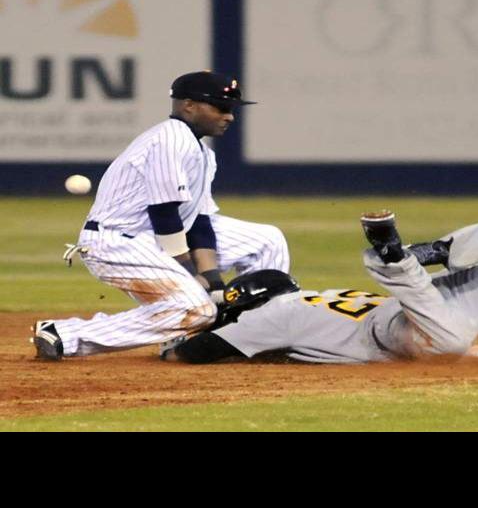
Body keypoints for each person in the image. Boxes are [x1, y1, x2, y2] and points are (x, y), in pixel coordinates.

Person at [31, 72, 290, 361]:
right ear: (189, 105)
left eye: (231, 109)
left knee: (266, 240)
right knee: (196, 309)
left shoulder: (203, 153)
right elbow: (164, 214)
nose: (229, 116)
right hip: (119, 242)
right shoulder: (170, 140)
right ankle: (64, 333)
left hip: (159, 237)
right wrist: (192, 275)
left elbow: (199, 221)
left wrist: (213, 279)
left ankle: (249, 334)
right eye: (221, 107)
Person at [160, 212, 478, 365]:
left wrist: (173, 343)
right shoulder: (312, 298)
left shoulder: (274, 314)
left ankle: (394, 257)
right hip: (423, 308)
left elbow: (195, 353)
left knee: (447, 343)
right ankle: (439, 250)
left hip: (404, 327)